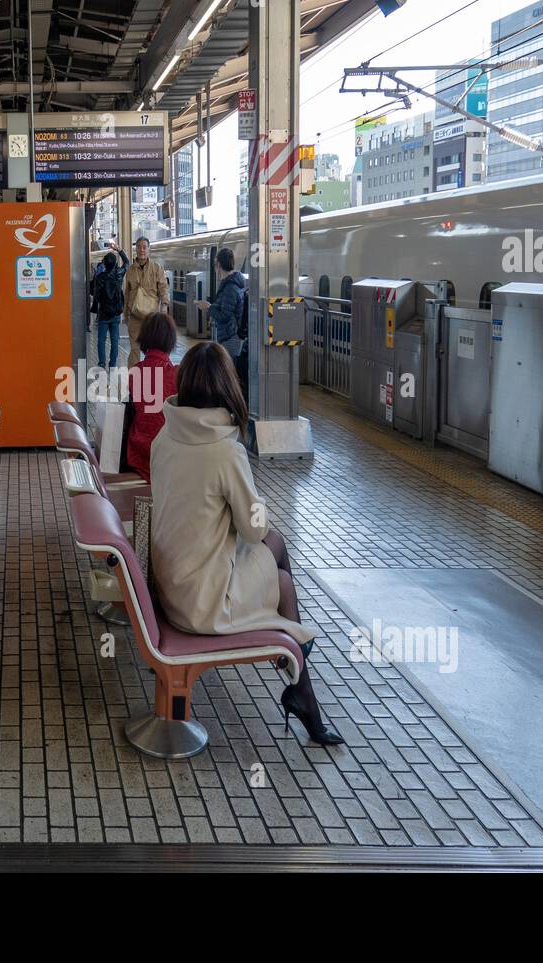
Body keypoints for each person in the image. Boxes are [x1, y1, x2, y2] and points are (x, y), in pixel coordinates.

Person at [149, 342, 344, 747]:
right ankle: (299, 677)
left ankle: (296, 666)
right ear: (226, 389)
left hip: (169, 588)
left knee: (278, 551)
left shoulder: (164, 438)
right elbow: (255, 530)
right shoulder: (225, 451)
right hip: (201, 603)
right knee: (283, 576)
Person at [124, 312, 178, 482]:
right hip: (169, 454)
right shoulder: (177, 374)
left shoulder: (136, 372)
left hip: (138, 453)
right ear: (170, 340)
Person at [123, 236, 167, 366]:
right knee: (135, 350)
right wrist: (125, 314)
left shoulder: (156, 268)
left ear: (149, 249)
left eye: (144, 247)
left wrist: (164, 305)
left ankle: (151, 381)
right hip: (135, 317)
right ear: (135, 249)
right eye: (139, 247)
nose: (141, 250)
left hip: (151, 318)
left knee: (152, 351)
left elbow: (163, 288)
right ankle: (134, 381)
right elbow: (127, 293)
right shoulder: (130, 270)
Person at [199, 247, 246, 359]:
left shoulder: (230, 287)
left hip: (230, 337)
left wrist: (209, 307)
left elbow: (224, 315)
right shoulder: (230, 284)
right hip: (229, 335)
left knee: (227, 372)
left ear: (219, 265)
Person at [89, 247, 125, 369]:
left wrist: (96, 305)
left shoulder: (100, 277)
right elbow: (127, 263)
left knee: (101, 339)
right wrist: (119, 250)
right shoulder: (119, 274)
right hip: (115, 313)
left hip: (103, 313)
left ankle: (102, 363)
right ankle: (113, 363)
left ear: (104, 263)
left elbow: (96, 295)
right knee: (115, 340)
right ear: (115, 263)